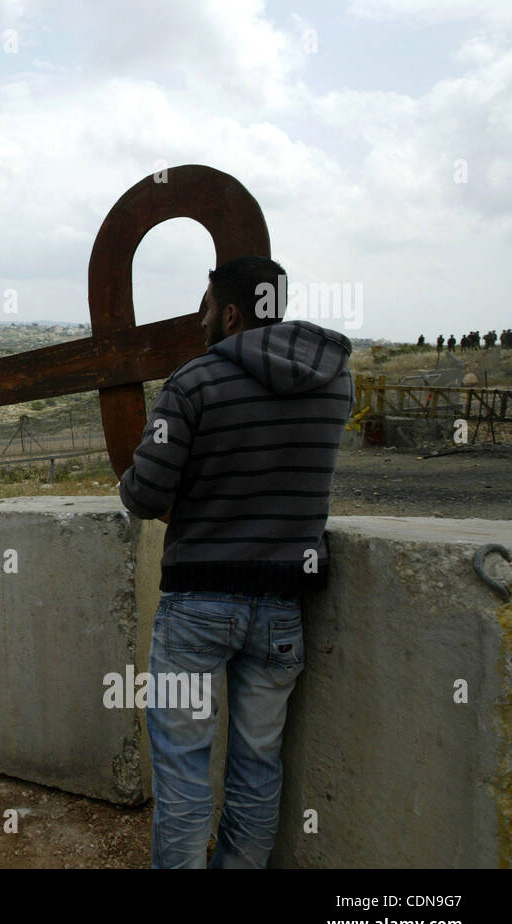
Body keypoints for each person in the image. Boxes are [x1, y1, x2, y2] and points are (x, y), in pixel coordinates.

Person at [118, 256, 353, 869]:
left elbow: (145, 495)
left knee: (183, 769)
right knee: (258, 768)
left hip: (198, 605)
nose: (198, 319)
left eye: (203, 307)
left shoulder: (192, 383)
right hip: (282, 608)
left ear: (229, 313)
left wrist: (135, 473)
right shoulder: (335, 381)